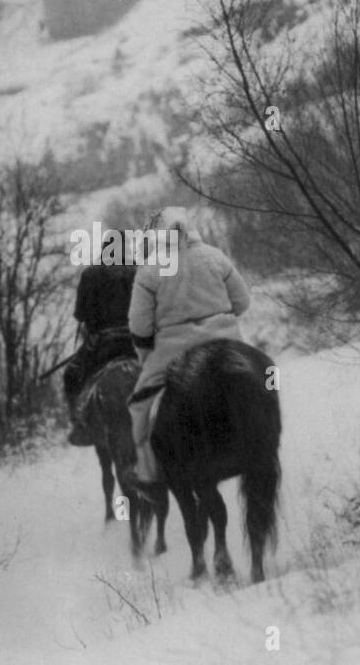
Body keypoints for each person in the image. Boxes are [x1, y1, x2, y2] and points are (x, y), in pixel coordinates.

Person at [127, 207, 250, 494]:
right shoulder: (215, 256)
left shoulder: (150, 270)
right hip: (228, 344)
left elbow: (139, 326)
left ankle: (147, 472)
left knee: (139, 406)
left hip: (174, 351)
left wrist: (146, 354)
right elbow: (242, 302)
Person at [64, 228, 137, 446]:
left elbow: (80, 315)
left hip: (102, 343)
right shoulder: (138, 271)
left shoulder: (90, 274)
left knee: (71, 375)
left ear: (105, 249)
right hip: (136, 341)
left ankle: (80, 424)